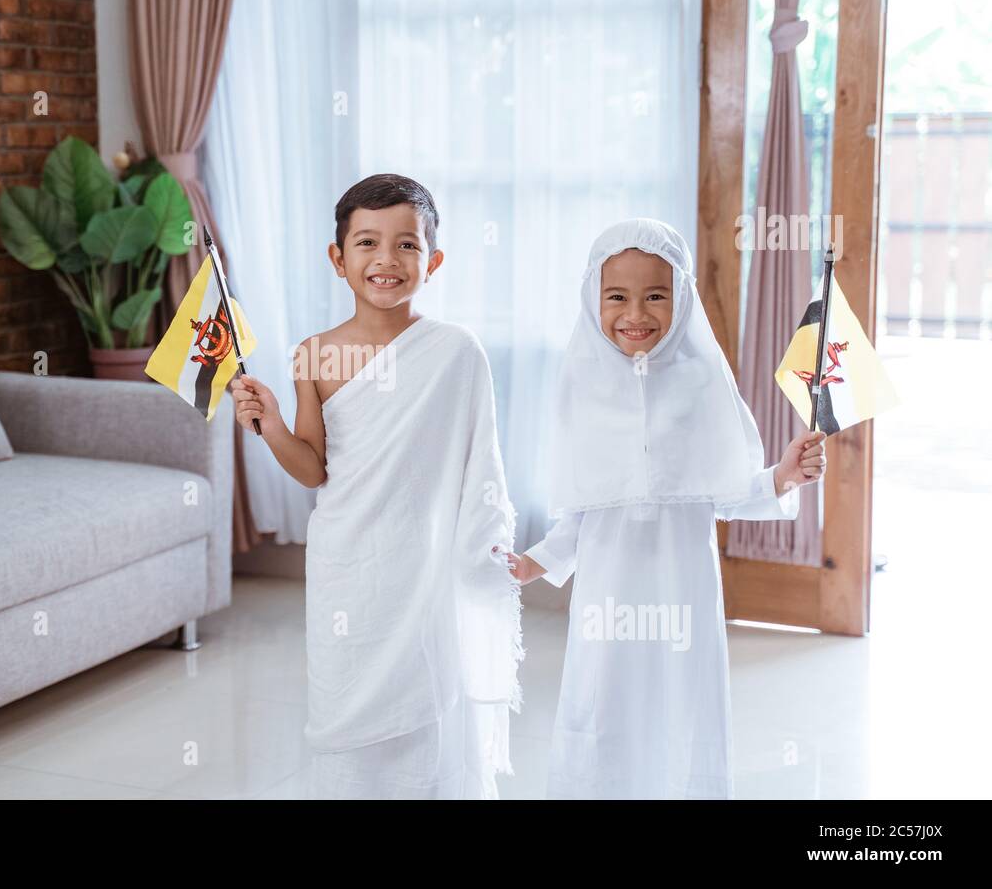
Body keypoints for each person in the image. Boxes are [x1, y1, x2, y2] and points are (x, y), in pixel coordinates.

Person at [510, 217, 827, 799]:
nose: (636, 313)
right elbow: (580, 513)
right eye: (617, 297)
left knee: (684, 703)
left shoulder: (702, 385)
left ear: (681, 300)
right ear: (592, 299)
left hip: (683, 590)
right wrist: (535, 562)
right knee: (602, 700)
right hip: (607, 597)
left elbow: (727, 491)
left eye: (655, 295)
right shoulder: (579, 388)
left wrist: (782, 475)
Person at [232, 174, 523, 799]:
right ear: (338, 259)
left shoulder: (456, 352)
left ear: (433, 260)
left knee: (428, 695)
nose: (386, 260)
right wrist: (272, 424)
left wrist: (485, 547)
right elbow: (314, 467)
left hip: (426, 565)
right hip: (350, 564)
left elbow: (481, 463)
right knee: (348, 703)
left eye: (407, 246)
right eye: (367, 242)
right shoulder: (314, 354)